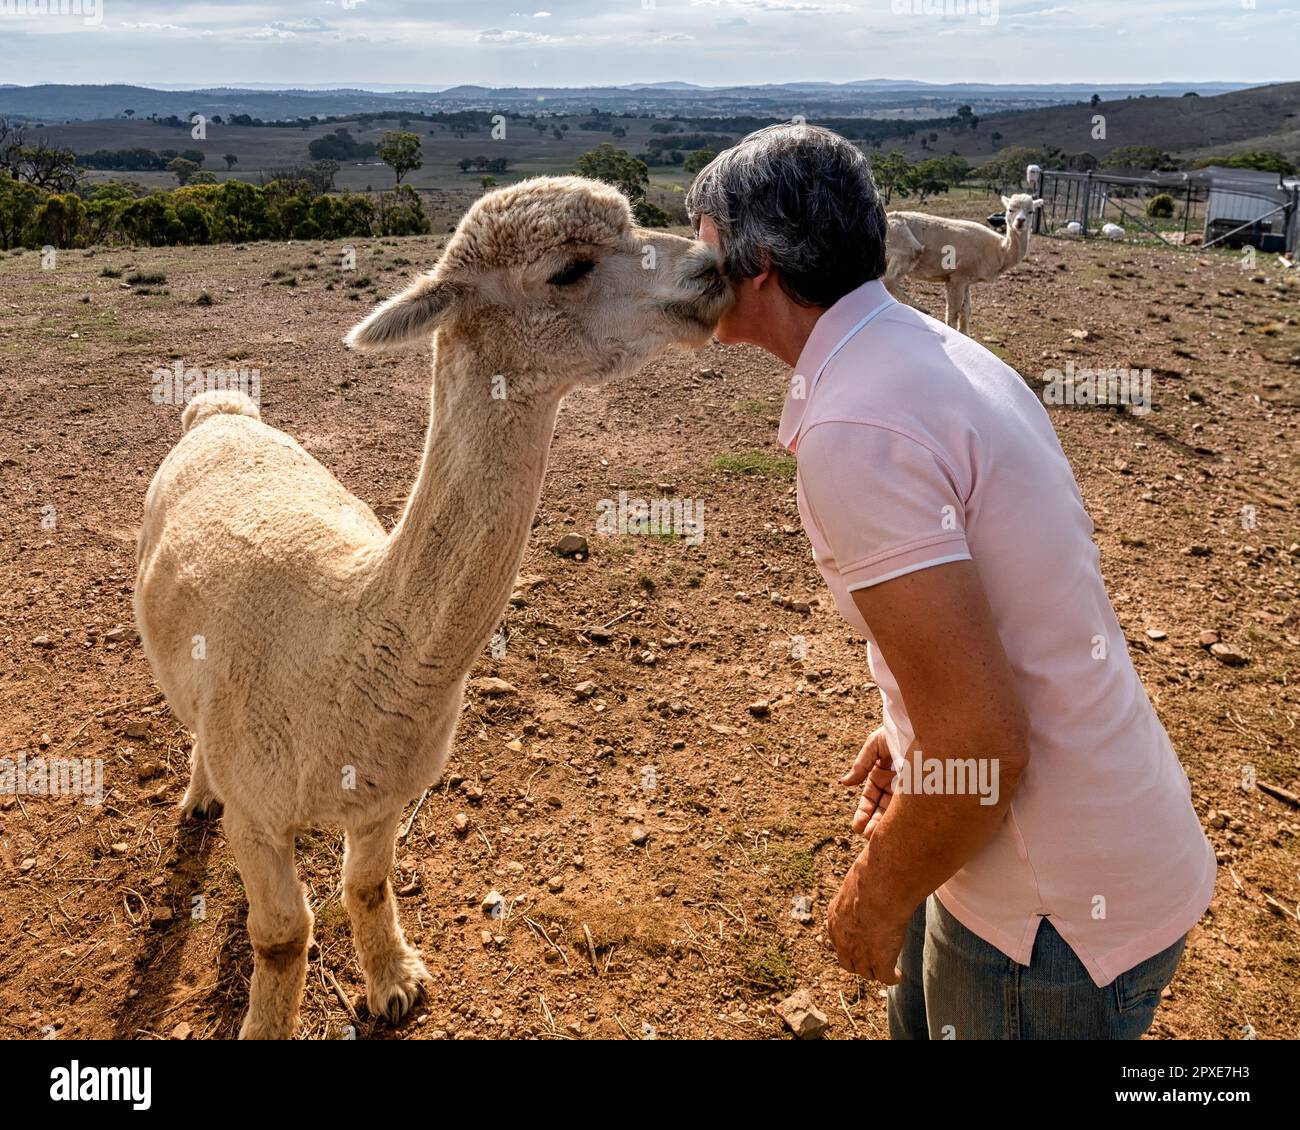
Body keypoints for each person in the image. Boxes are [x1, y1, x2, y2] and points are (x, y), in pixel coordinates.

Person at [685, 123, 1216, 1040]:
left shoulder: (858, 429)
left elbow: (983, 741)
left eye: (697, 245)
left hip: (1045, 918)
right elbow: (1007, 626)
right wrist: (910, 724)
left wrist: (871, 897)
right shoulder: (928, 356)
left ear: (756, 260)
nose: (685, 275)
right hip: (1055, 860)